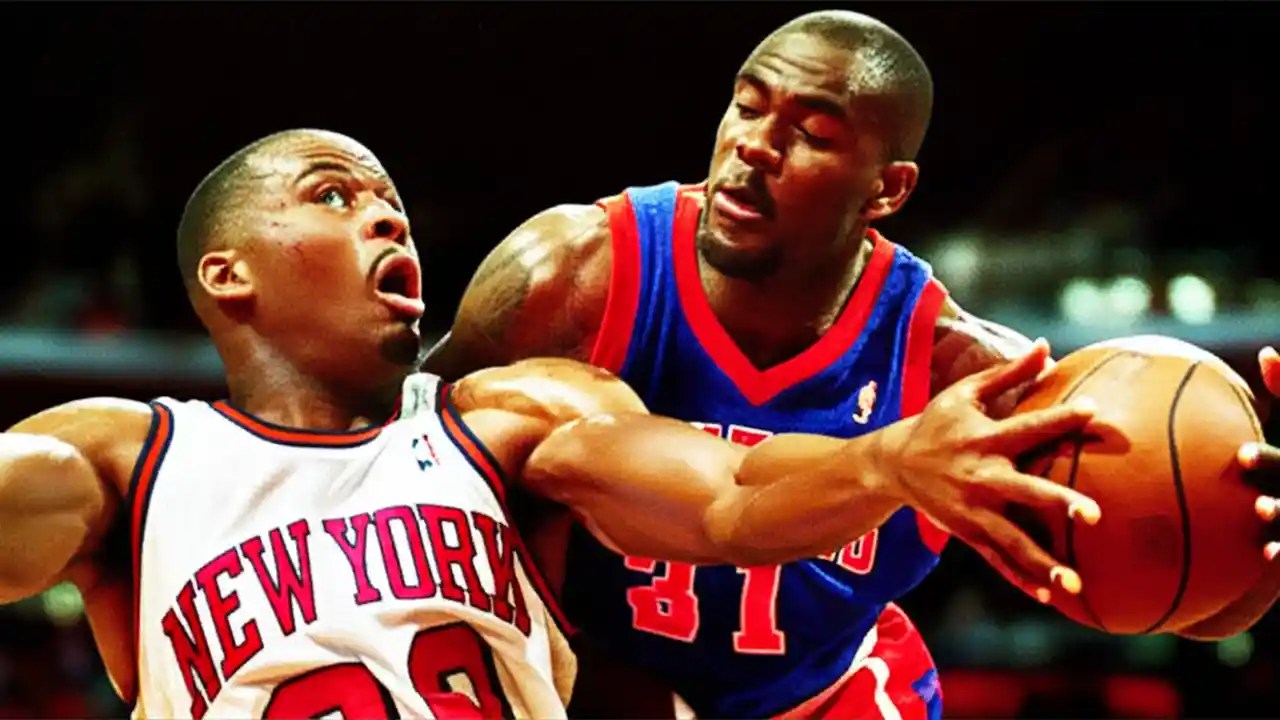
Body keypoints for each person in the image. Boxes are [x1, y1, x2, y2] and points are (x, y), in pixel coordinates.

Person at [0, 129, 1107, 719]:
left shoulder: (507, 419)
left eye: (390, 201)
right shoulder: (129, 459)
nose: (386, 216)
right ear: (226, 273)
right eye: (334, 195)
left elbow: (729, 496)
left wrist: (890, 460)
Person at [425, 10, 1280, 718]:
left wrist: (1257, 545)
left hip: (824, 698)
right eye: (747, 107)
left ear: (888, 189)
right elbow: (403, 461)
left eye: (812, 134)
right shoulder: (574, 276)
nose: (755, 146)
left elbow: (1180, 591)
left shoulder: (964, 374)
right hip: (586, 681)